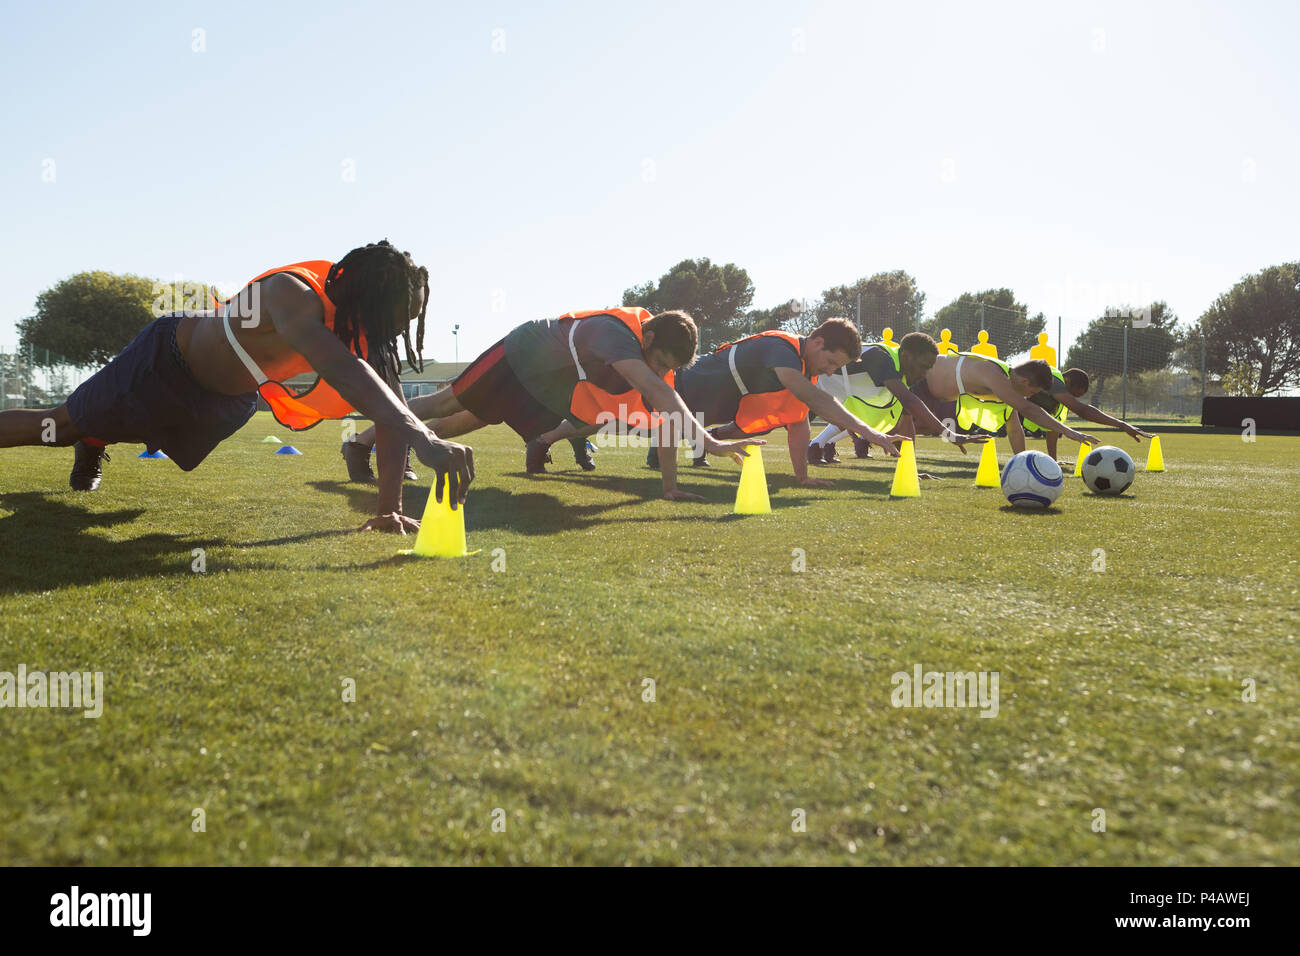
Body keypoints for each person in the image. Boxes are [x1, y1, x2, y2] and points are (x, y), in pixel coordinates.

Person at [0, 241, 473, 533]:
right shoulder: (293, 293)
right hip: (165, 362)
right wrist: (427, 437)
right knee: (58, 426)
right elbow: (344, 371)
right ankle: (87, 436)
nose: (396, 329)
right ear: (370, 297)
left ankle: (96, 433)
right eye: (396, 316)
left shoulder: (362, 329)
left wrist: (388, 508)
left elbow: (387, 409)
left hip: (221, 400)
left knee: (130, 427)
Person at [342, 307, 760, 500]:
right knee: (444, 403)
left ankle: (389, 444)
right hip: (522, 353)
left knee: (465, 422)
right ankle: (361, 443)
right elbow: (661, 395)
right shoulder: (614, 333)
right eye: (660, 362)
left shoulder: (652, 358)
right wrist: (710, 440)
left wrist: (669, 487)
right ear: (647, 338)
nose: (660, 371)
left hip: (548, 380)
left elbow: (666, 414)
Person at [629, 318, 900, 485]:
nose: (830, 371)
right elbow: (816, 400)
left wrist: (802, 477)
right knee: (603, 421)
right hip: (675, 386)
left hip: (690, 414)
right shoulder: (780, 347)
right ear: (817, 343)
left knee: (773, 418)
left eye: (836, 368)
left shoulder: (805, 368)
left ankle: (676, 446)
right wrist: (869, 432)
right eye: (830, 362)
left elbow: (799, 422)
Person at [806, 331, 985, 463]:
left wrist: (909, 467)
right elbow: (910, 401)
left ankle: (817, 446)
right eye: (923, 366)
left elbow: (907, 422)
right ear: (907, 356)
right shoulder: (881, 359)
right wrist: (949, 433)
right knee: (783, 418)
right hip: (809, 380)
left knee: (856, 414)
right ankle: (818, 446)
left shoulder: (903, 376)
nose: (924, 374)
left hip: (830, 393)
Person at [913, 352, 1102, 453]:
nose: (1028, 396)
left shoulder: (1006, 387)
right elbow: (1029, 409)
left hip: (933, 397)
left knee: (926, 428)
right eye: (1032, 392)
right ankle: (907, 467)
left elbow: (1014, 429)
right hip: (916, 379)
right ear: (1024, 381)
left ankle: (907, 464)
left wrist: (1022, 463)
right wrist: (1069, 432)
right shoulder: (993, 375)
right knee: (906, 425)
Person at [1022, 366, 1155, 461]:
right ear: (1067, 381)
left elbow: (1052, 429)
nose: (1072, 399)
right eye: (1073, 394)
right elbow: (1083, 410)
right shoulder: (1053, 380)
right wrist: (1122, 425)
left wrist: (1053, 461)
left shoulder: (1059, 400)